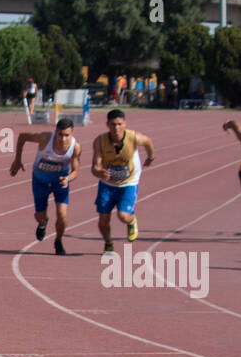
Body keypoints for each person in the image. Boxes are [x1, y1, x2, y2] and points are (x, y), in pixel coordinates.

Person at [9, 117, 81, 256]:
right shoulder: (45, 138)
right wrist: (18, 160)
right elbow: (22, 137)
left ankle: (58, 240)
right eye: (60, 134)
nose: (63, 138)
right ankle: (43, 223)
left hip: (60, 182)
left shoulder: (75, 147)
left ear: (72, 134)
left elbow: (76, 171)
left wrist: (68, 178)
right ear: (55, 132)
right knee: (39, 216)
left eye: (67, 135)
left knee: (62, 215)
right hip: (40, 181)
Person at [91, 109, 156, 254]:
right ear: (107, 125)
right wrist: (99, 172)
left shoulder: (133, 138)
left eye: (120, 124)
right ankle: (108, 243)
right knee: (103, 218)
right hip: (107, 185)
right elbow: (94, 167)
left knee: (123, 216)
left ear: (125, 124)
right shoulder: (100, 142)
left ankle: (132, 221)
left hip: (128, 183)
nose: (116, 128)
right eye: (113, 125)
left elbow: (148, 141)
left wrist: (150, 157)